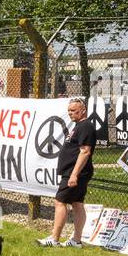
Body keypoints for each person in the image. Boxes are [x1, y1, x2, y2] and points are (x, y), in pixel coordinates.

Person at [38, 98, 95, 248]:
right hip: (73, 172)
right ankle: (76, 241)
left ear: (83, 110)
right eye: (69, 111)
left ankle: (54, 238)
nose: (70, 113)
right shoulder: (78, 126)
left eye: (74, 110)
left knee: (60, 202)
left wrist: (74, 174)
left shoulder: (85, 126)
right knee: (77, 203)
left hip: (74, 172)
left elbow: (85, 152)